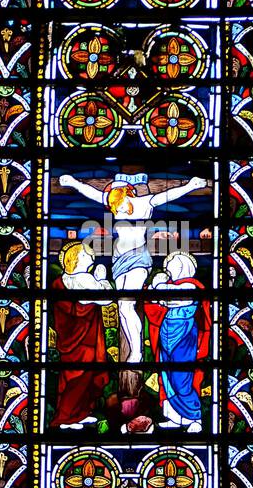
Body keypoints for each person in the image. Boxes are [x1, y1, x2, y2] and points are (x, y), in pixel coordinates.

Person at [57, 173, 208, 368]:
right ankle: (133, 349)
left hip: (138, 259)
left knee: (127, 306)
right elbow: (92, 193)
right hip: (118, 260)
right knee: (122, 307)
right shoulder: (113, 200)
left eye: (118, 204)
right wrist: (73, 182)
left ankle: (136, 353)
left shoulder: (145, 203)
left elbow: (168, 195)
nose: (117, 210)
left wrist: (191, 185)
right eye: (114, 207)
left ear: (126, 193)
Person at [143, 251, 211, 432]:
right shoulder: (170, 286)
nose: (167, 268)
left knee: (182, 379)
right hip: (166, 337)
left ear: (182, 266)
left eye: (170, 264)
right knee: (166, 377)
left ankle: (194, 417)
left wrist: (158, 286)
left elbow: (171, 298)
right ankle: (174, 416)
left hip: (184, 338)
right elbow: (158, 300)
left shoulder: (191, 286)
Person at [48, 242, 110, 429]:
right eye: (85, 255)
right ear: (72, 259)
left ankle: (81, 413)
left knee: (88, 376)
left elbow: (105, 299)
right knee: (75, 377)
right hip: (73, 340)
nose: (90, 259)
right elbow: (71, 309)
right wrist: (92, 299)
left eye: (90, 256)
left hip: (90, 338)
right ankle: (66, 417)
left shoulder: (88, 279)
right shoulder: (60, 283)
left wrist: (100, 285)